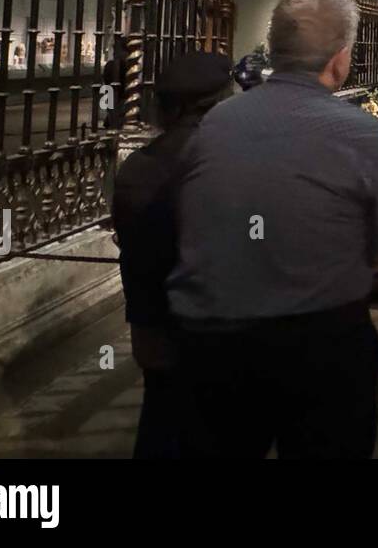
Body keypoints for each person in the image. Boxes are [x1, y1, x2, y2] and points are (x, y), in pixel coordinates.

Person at [168, 0, 378, 459]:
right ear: (340, 59)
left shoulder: (215, 122)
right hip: (322, 344)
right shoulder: (361, 132)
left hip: (211, 343)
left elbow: (191, 216)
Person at [112, 50, 233, 459]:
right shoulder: (224, 163)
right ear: (213, 106)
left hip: (152, 328)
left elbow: (129, 238)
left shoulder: (135, 169)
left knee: (160, 418)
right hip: (211, 329)